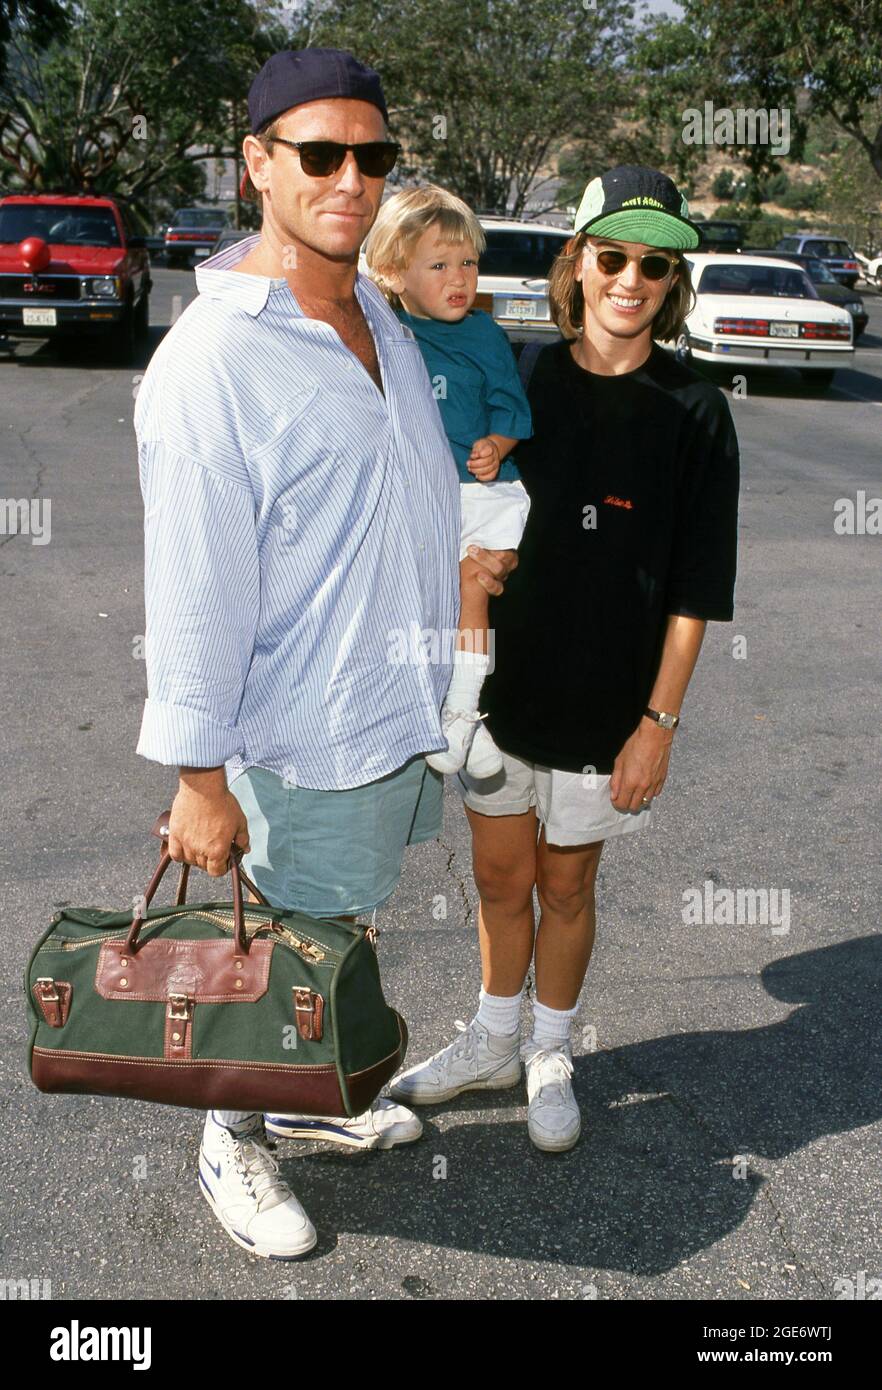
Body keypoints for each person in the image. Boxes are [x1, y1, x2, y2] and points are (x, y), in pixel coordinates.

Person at [134, 47, 516, 1259]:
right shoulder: (215, 357)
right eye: (320, 154)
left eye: (375, 156)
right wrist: (198, 779)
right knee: (279, 937)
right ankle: (232, 1141)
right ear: (257, 164)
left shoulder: (377, 319)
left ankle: (306, 1099)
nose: (352, 179)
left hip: (391, 705)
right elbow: (194, 580)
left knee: (338, 922)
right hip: (295, 728)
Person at [391, 166, 740, 1153]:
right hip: (501, 694)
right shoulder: (521, 377)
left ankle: (550, 1051)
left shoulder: (698, 411)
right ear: (577, 263)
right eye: (613, 254)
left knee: (567, 883)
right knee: (499, 876)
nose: (631, 278)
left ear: (671, 284)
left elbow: (695, 591)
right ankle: (493, 1036)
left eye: (655, 264)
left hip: (609, 710)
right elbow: (436, 480)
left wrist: (657, 726)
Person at [365, 186, 532, 777]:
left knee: (470, 587)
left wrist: (495, 445)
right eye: (439, 265)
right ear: (392, 272)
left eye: (468, 263)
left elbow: (513, 411)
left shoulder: (484, 334)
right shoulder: (383, 332)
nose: (459, 278)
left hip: (485, 495)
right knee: (426, 608)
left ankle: (460, 711)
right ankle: (470, 732)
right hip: (426, 500)